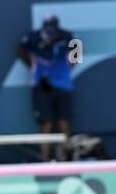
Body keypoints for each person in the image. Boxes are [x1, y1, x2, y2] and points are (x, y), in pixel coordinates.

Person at [16, 15, 75, 159]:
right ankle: (45, 159)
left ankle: (65, 158)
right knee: (46, 123)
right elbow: (19, 49)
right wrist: (32, 65)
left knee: (64, 123)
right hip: (41, 84)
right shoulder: (33, 37)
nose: (50, 32)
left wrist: (68, 67)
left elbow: (78, 50)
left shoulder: (67, 36)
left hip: (62, 84)